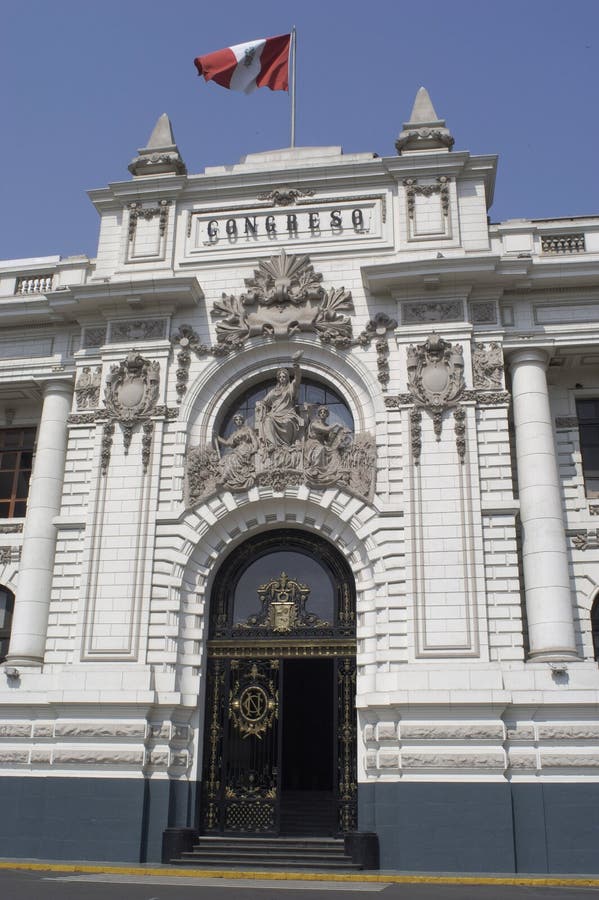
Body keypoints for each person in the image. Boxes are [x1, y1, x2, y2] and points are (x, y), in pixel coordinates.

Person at [256, 353, 304, 449]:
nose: (282, 378)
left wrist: (296, 365)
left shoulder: (290, 388)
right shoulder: (273, 392)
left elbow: (297, 378)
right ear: (278, 379)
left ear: (287, 378)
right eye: (280, 377)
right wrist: (260, 405)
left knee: (287, 422)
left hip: (288, 414)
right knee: (268, 420)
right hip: (274, 414)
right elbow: (264, 402)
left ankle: (286, 445)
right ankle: (272, 445)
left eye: (284, 376)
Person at [304, 406, 349, 485]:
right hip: (313, 444)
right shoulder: (314, 423)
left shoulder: (326, 424)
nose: (322, 414)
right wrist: (336, 424)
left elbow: (328, 441)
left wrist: (338, 436)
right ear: (318, 414)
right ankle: (315, 469)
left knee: (333, 452)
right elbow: (326, 429)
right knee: (320, 449)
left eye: (324, 412)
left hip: (322, 444)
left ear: (327, 414)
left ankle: (333, 471)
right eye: (321, 412)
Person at [217, 414, 258, 490]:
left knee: (233, 458)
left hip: (246, 447)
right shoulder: (234, 433)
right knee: (227, 459)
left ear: (242, 421)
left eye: (240, 419)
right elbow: (227, 443)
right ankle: (225, 477)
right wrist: (217, 437)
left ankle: (225, 478)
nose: (238, 421)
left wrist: (255, 448)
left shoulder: (247, 429)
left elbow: (254, 439)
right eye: (236, 420)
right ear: (235, 422)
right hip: (238, 449)